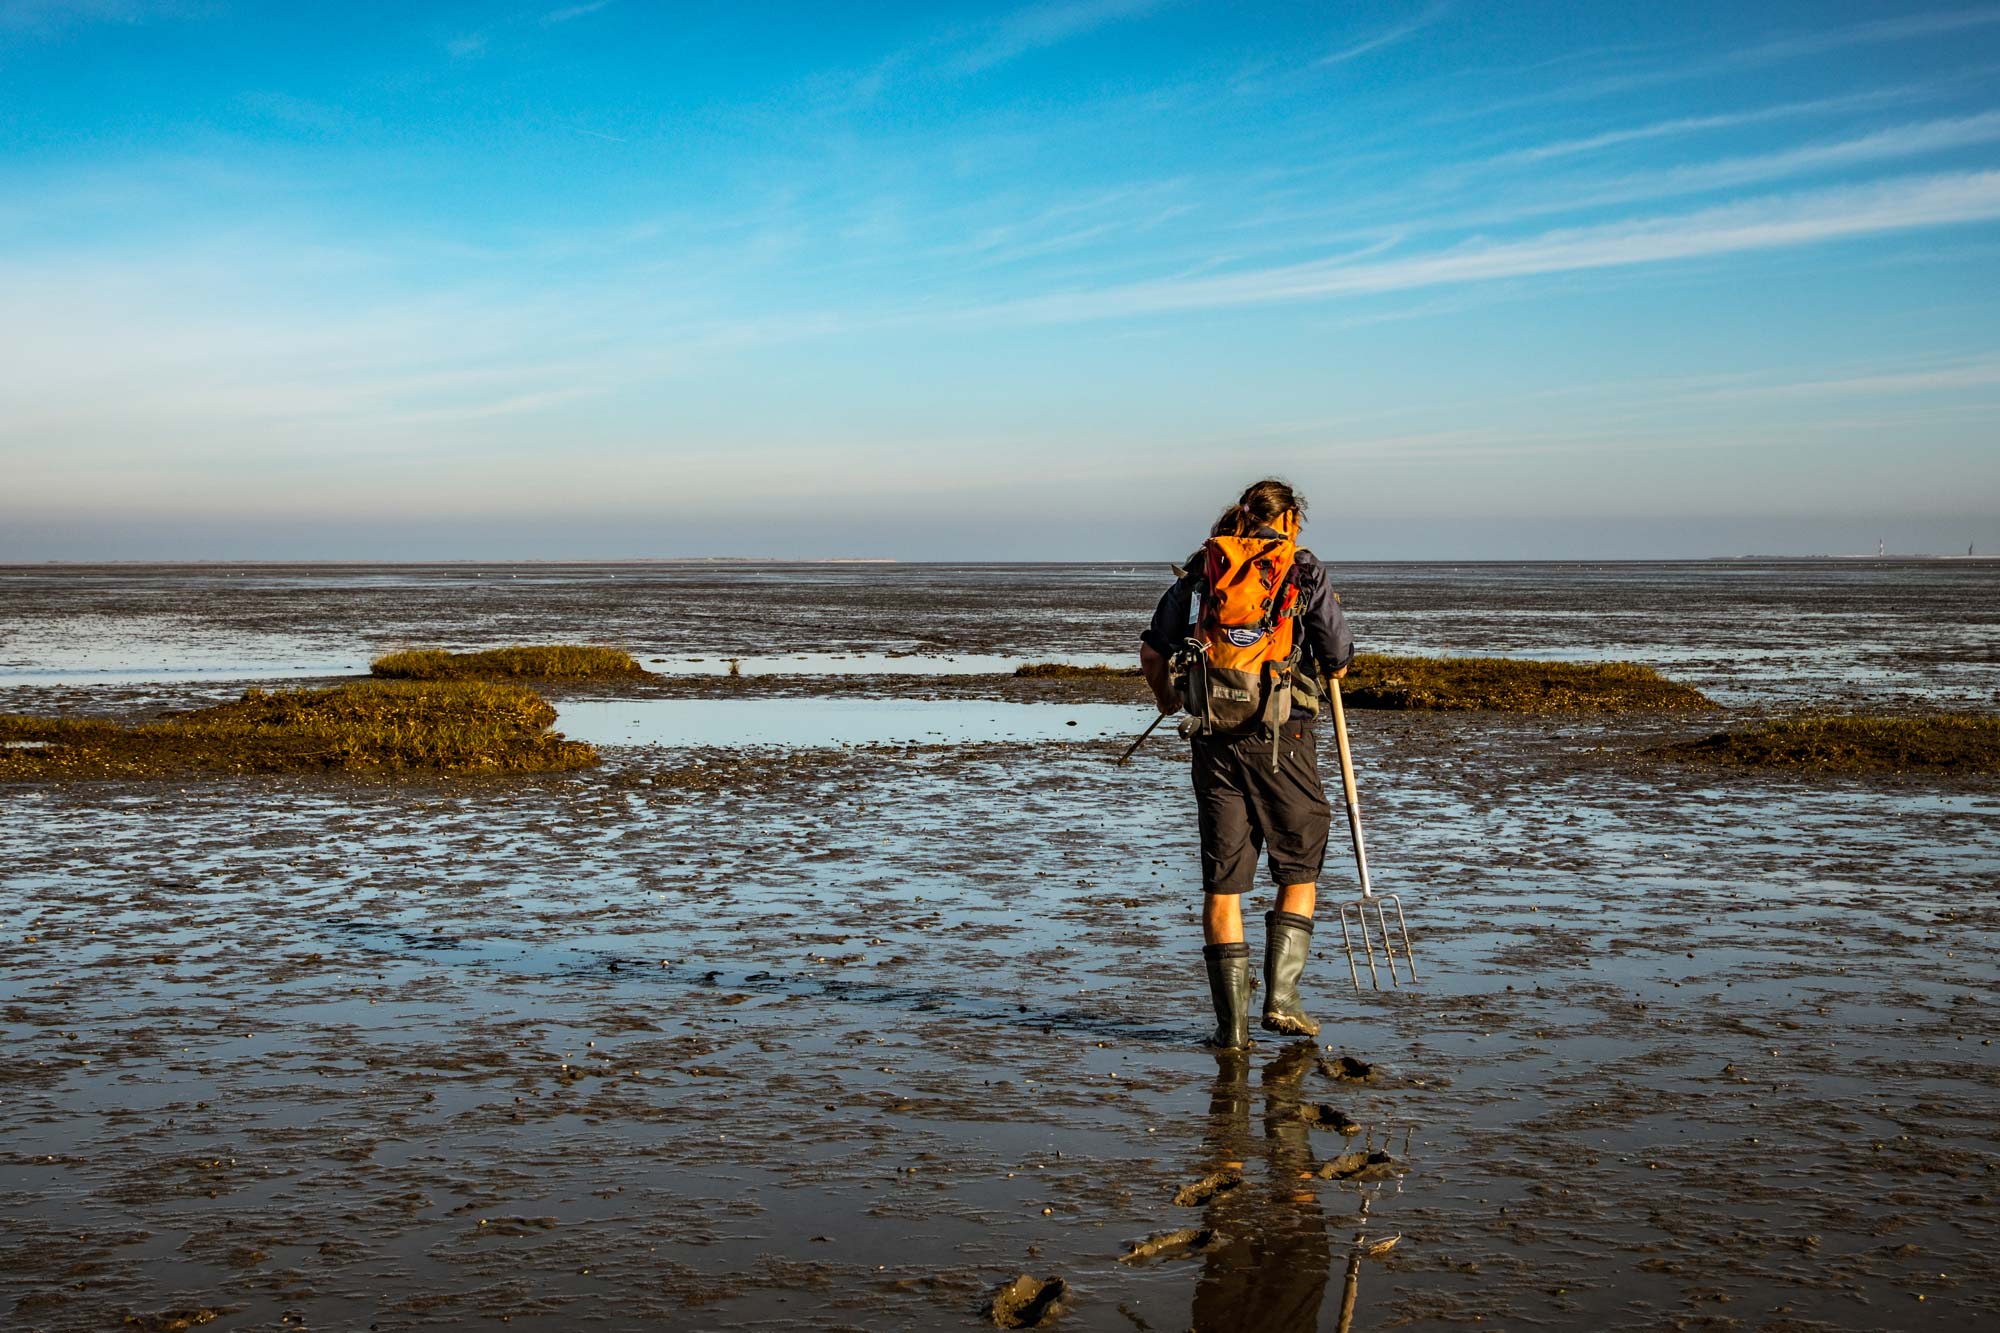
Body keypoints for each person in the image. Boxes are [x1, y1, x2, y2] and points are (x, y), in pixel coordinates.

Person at [1139, 479, 1354, 1049]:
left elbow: (1152, 652)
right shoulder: (1301, 567)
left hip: (1212, 738)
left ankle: (1231, 1033)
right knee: (1300, 866)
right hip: (1284, 736)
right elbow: (1336, 655)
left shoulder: (1200, 571)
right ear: (1288, 522)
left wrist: (1169, 702)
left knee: (1223, 885)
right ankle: (1281, 1000)